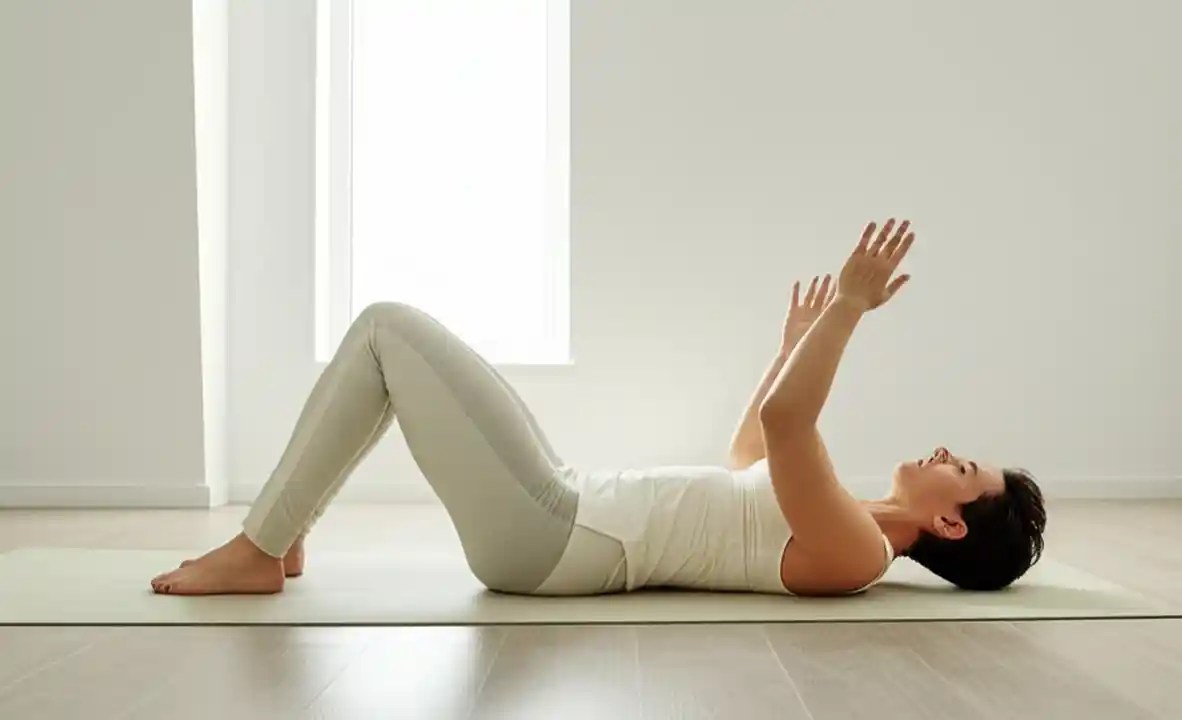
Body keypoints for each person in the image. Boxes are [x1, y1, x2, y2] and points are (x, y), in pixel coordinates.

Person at [151, 218, 1045, 597]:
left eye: (962, 469)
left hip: (552, 537)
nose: (944, 452)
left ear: (953, 527)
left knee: (389, 329)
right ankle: (284, 528)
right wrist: (791, 345)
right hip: (567, 507)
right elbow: (749, 455)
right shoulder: (845, 517)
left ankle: (261, 548)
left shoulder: (857, 553)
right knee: (398, 343)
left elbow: (785, 427)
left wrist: (849, 310)